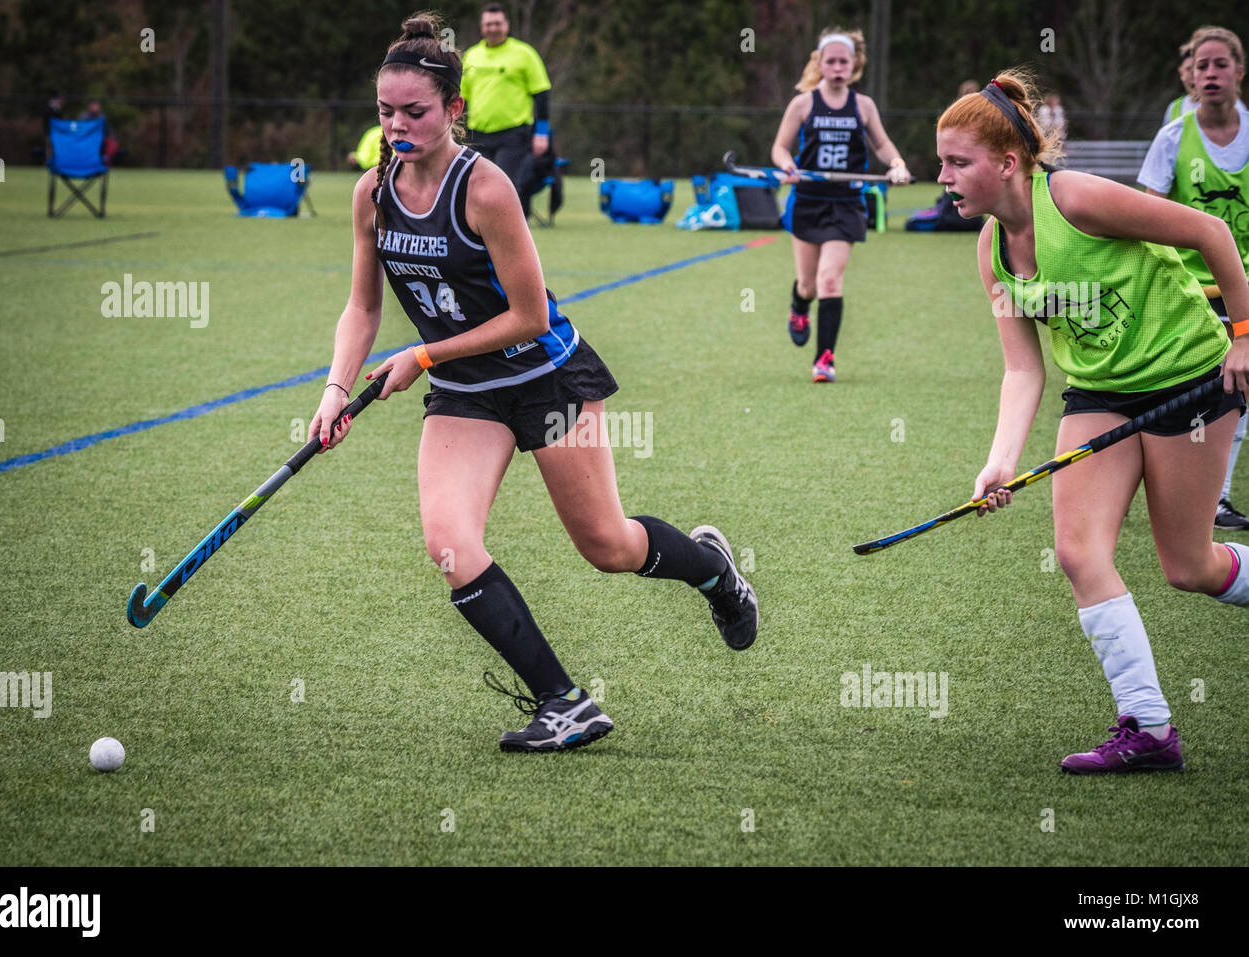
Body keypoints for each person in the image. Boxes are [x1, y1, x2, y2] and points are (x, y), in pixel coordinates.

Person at [309, 13, 758, 753]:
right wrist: (334, 388)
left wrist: (420, 357)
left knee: (608, 546)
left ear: (455, 110)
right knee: (449, 541)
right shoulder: (373, 194)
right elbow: (362, 307)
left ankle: (713, 571)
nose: (397, 126)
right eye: (386, 111)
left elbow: (527, 314)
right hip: (466, 390)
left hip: (545, 377)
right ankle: (564, 702)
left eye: (415, 112)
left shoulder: (485, 191)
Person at [936, 70, 1249, 774]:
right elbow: (1023, 369)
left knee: (1189, 566)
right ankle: (1149, 728)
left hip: (1188, 380)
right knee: (1080, 553)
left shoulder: (1074, 198)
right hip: (1101, 391)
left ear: (1007, 163)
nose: (943, 176)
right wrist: (999, 460)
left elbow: (1208, 231)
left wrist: (1244, 334)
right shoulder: (991, 250)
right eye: (942, 162)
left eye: (958, 162)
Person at [1140, 25, 1249, 531]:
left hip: (1244, 292)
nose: (1210, 73)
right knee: (1178, 393)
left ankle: (1215, 501)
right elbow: (1145, 216)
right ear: (1191, 76)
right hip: (1191, 292)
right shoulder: (1173, 137)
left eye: (1220, 64)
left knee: (1238, 394)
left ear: (1239, 72)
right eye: (1202, 65)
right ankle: (1153, 481)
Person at [770, 27, 911, 384]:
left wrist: (896, 165)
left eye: (843, 61)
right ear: (819, 63)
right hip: (808, 201)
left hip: (846, 203)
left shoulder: (863, 106)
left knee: (830, 279)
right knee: (809, 285)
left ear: (854, 65)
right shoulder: (803, 104)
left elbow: (882, 146)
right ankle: (799, 306)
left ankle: (824, 360)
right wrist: (788, 167)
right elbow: (780, 148)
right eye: (830, 61)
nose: (836, 67)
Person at [460, 2, 552, 215]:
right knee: (475, 185)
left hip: (513, 134)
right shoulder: (472, 56)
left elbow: (542, 95)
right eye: (489, 24)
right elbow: (461, 98)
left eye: (497, 23)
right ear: (482, 27)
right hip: (479, 134)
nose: (493, 28)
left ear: (506, 25)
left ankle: (514, 234)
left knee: (506, 185)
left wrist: (542, 133)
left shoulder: (524, 53)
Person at [1164, 43, 1198, 124]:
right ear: (1181, 73)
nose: (1194, 75)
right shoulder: (1174, 108)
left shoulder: (1224, 106)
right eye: (1188, 69)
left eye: (1199, 67)